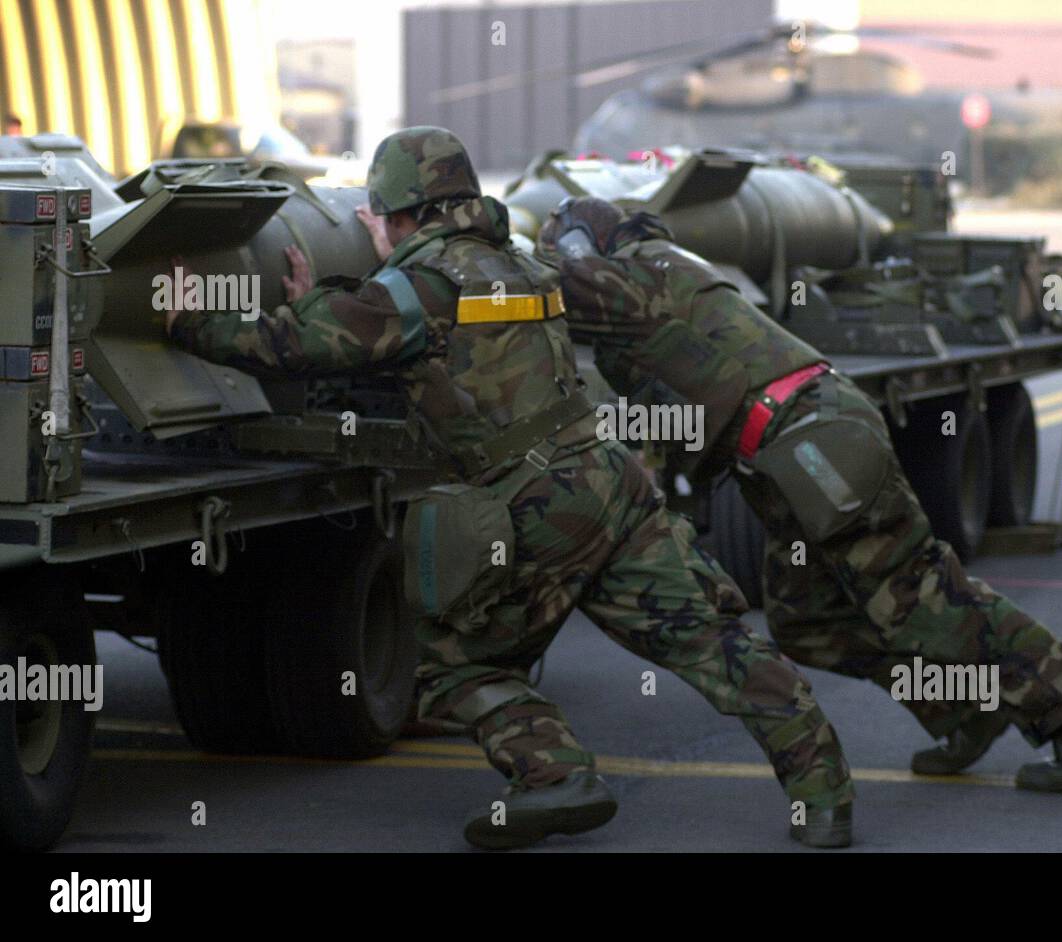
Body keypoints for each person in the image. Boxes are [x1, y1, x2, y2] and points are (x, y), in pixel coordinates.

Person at [165, 127, 855, 849]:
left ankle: (554, 774)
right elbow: (422, 338)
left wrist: (190, 322)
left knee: (445, 660)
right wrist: (360, 288)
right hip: (610, 479)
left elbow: (290, 349)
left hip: (536, 500)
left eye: (385, 215)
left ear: (399, 212)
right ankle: (826, 794)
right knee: (711, 645)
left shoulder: (418, 286)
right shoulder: (518, 264)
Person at [536, 196, 1062, 791]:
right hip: (782, 460)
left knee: (923, 595)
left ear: (587, 244)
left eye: (559, 249)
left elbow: (584, 281)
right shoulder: (641, 281)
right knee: (808, 624)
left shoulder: (645, 267)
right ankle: (960, 709)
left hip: (812, 438)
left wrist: (557, 252)